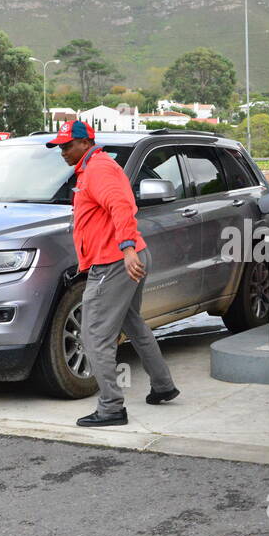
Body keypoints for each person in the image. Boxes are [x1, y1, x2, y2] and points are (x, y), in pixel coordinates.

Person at [46, 121, 178, 426]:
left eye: (67, 146)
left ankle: (111, 407)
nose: (62, 152)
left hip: (115, 261)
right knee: (132, 323)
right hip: (119, 258)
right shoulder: (91, 168)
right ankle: (163, 385)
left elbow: (122, 205)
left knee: (93, 336)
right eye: (60, 147)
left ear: (85, 142)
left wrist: (127, 248)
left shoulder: (98, 169)